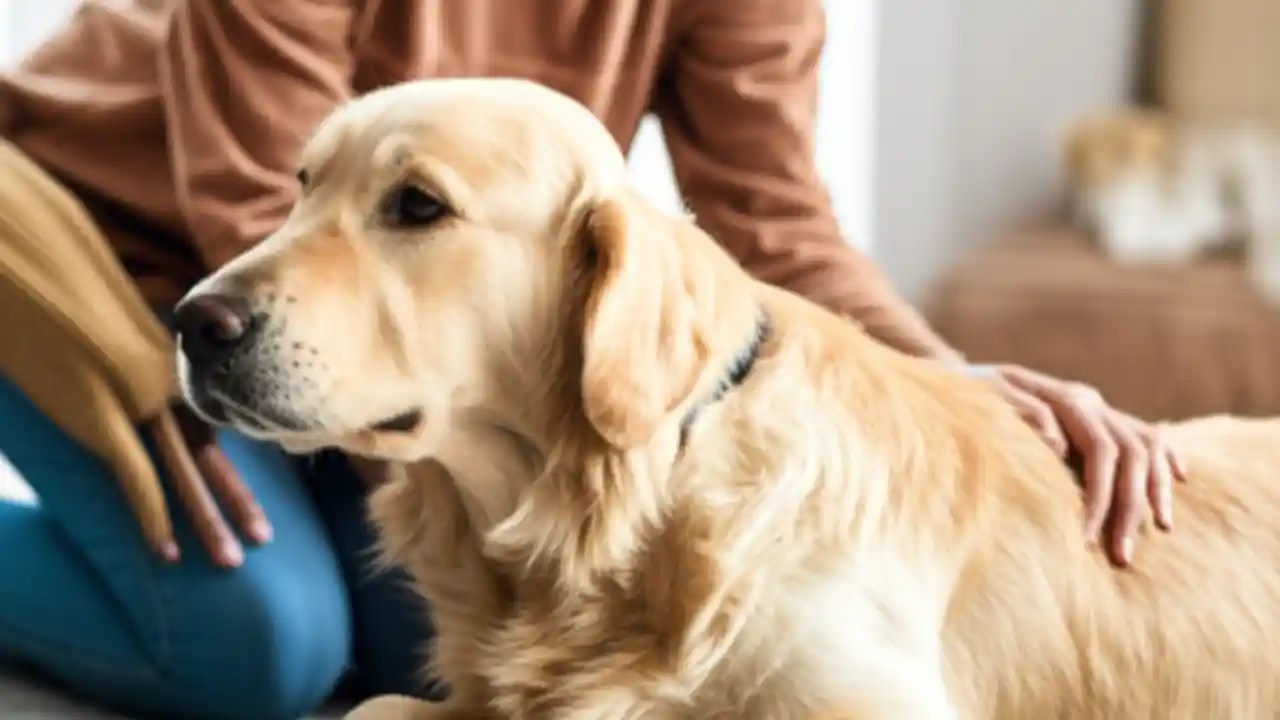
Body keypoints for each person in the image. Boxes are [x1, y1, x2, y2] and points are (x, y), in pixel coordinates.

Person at [0, 1, 1185, 718]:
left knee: (438, 643)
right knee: (261, 644)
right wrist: (131, 357)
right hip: (80, 247)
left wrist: (950, 382)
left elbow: (771, 219)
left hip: (353, 316)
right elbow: (263, 202)